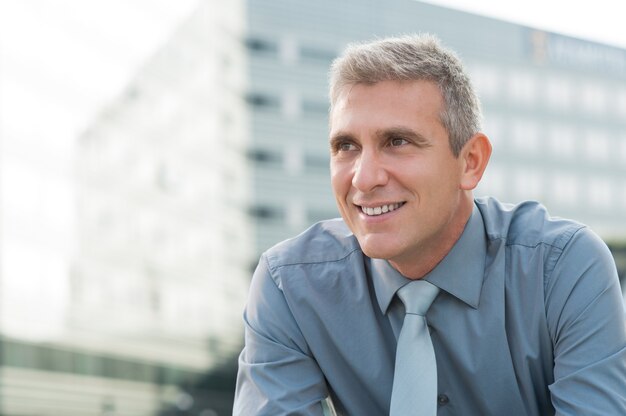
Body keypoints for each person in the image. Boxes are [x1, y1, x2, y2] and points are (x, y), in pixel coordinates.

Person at [233, 34, 626, 415]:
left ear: (470, 161)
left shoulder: (563, 269)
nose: (364, 178)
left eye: (397, 141)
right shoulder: (290, 285)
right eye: (346, 146)